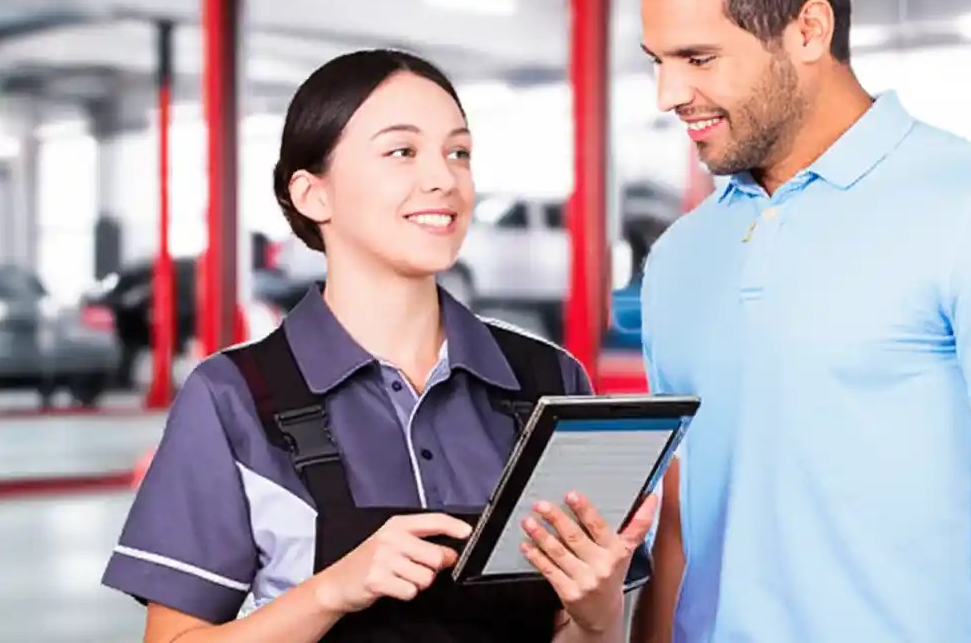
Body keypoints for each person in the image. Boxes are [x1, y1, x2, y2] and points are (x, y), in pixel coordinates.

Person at [627, 0, 971, 642]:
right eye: (658, 60)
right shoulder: (677, 258)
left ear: (809, 30)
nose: (670, 93)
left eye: (699, 57)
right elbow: (682, 532)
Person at [102, 49, 655, 643]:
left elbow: (580, 636)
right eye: (402, 151)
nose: (444, 178)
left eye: (458, 152)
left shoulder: (549, 383)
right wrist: (333, 590)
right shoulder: (234, 399)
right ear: (313, 195)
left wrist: (597, 618)